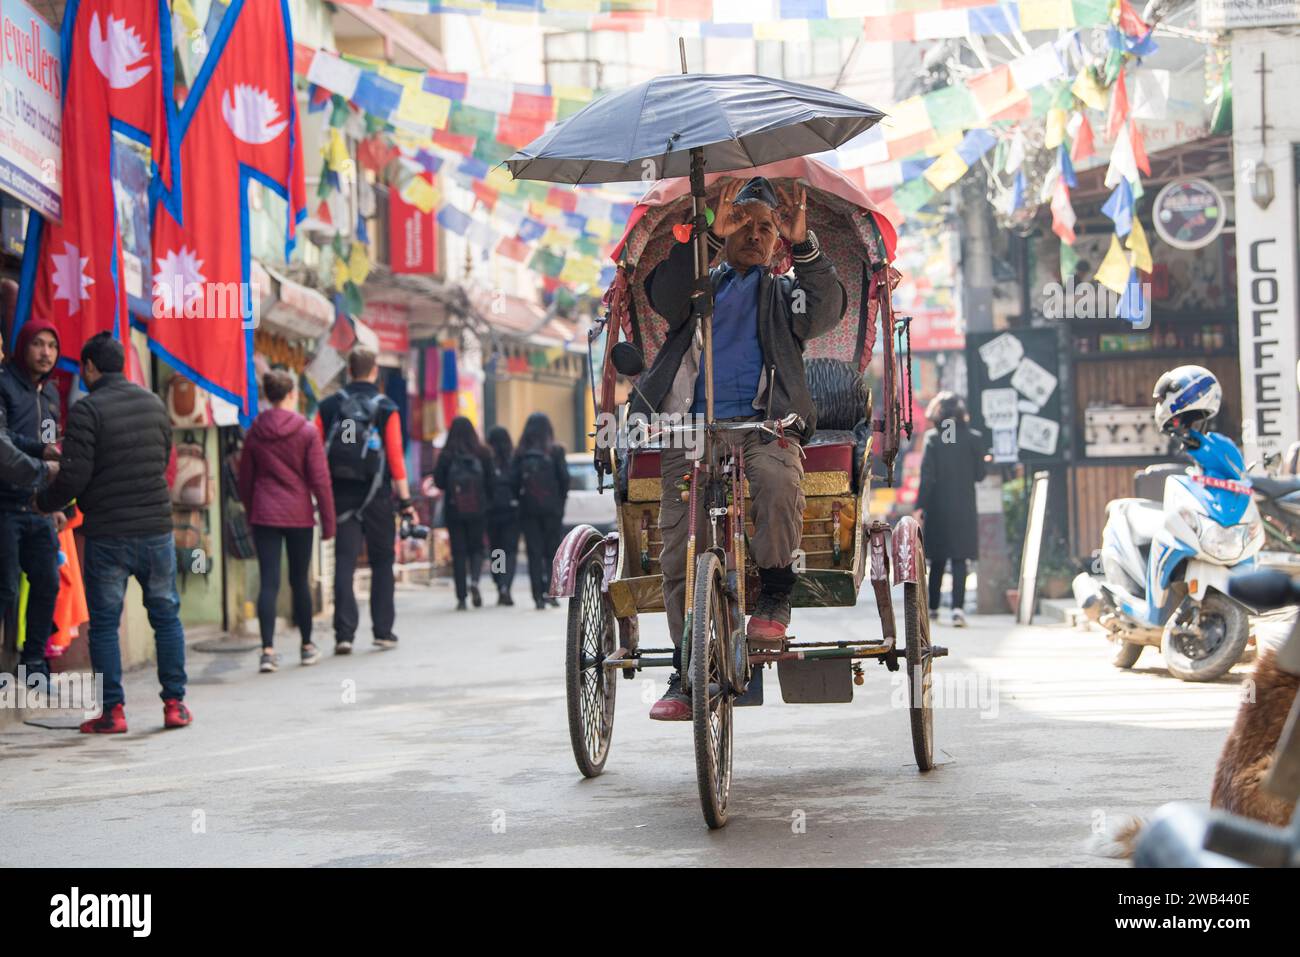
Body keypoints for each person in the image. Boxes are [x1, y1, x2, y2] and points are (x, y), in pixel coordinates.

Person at [632, 175, 845, 720]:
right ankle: (686, 672)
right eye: (743, 223)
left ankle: (775, 593)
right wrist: (703, 231)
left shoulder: (782, 293)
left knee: (777, 481)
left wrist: (805, 247)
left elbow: (824, 311)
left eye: (766, 228)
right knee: (680, 548)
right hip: (690, 431)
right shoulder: (700, 286)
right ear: (725, 231)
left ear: (777, 241)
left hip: (764, 425)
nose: (755, 234)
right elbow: (663, 296)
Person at [36, 332, 190, 733]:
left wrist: (45, 501)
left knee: (105, 625)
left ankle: (113, 713)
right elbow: (163, 459)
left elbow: (74, 476)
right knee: (166, 615)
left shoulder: (88, 411)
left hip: (107, 535)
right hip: (156, 530)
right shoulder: (155, 404)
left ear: (89, 367)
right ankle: (175, 704)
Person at [315, 347, 416, 653]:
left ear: (348, 371)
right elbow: (396, 459)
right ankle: (383, 631)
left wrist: (319, 494)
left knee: (344, 562)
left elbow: (317, 454)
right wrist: (406, 501)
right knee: (382, 561)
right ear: (375, 372)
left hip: (341, 494)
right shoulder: (387, 407)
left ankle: (344, 634)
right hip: (377, 495)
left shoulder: (328, 406)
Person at [239, 369, 336, 672]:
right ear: (292, 395)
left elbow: (245, 479)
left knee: (269, 581)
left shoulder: (255, 431)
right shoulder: (306, 432)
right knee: (299, 581)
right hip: (298, 514)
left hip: (265, 513)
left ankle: (267, 651)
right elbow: (320, 480)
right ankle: (307, 646)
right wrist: (329, 522)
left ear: (267, 396)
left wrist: (251, 509)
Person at [0, 320, 64, 685]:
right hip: (5, 505)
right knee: (5, 587)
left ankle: (34, 662)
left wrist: (54, 502)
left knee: (47, 582)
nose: (45, 353)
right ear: (22, 346)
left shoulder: (51, 395)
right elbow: (6, 439)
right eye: (38, 344)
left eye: (52, 346)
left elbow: (48, 444)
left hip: (38, 508)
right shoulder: (5, 383)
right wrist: (42, 461)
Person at [915, 392, 986, 628]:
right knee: (959, 559)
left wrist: (920, 506)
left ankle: (933, 608)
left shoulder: (933, 439)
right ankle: (957, 610)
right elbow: (980, 475)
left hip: (937, 507)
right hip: (964, 506)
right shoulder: (974, 439)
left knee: (937, 558)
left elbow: (927, 476)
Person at [434, 416, 493, 611]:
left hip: (454, 509)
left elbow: (439, 482)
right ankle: (475, 581)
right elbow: (491, 482)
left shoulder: (447, 455)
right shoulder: (483, 452)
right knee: (477, 549)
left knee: (458, 552)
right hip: (478, 509)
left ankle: (461, 598)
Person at [510, 412, 568, 611]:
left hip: (528, 511)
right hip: (552, 510)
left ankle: (537, 596)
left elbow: (513, 482)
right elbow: (564, 480)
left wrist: (520, 502)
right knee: (552, 553)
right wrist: (559, 505)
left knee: (533, 553)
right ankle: (552, 593)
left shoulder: (521, 453)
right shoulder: (556, 451)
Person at [485, 425, 519, 606]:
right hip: (512, 511)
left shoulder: (487, 459)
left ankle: (499, 584)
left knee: (497, 550)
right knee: (510, 550)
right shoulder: (513, 458)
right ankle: (506, 585)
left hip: (492, 512)